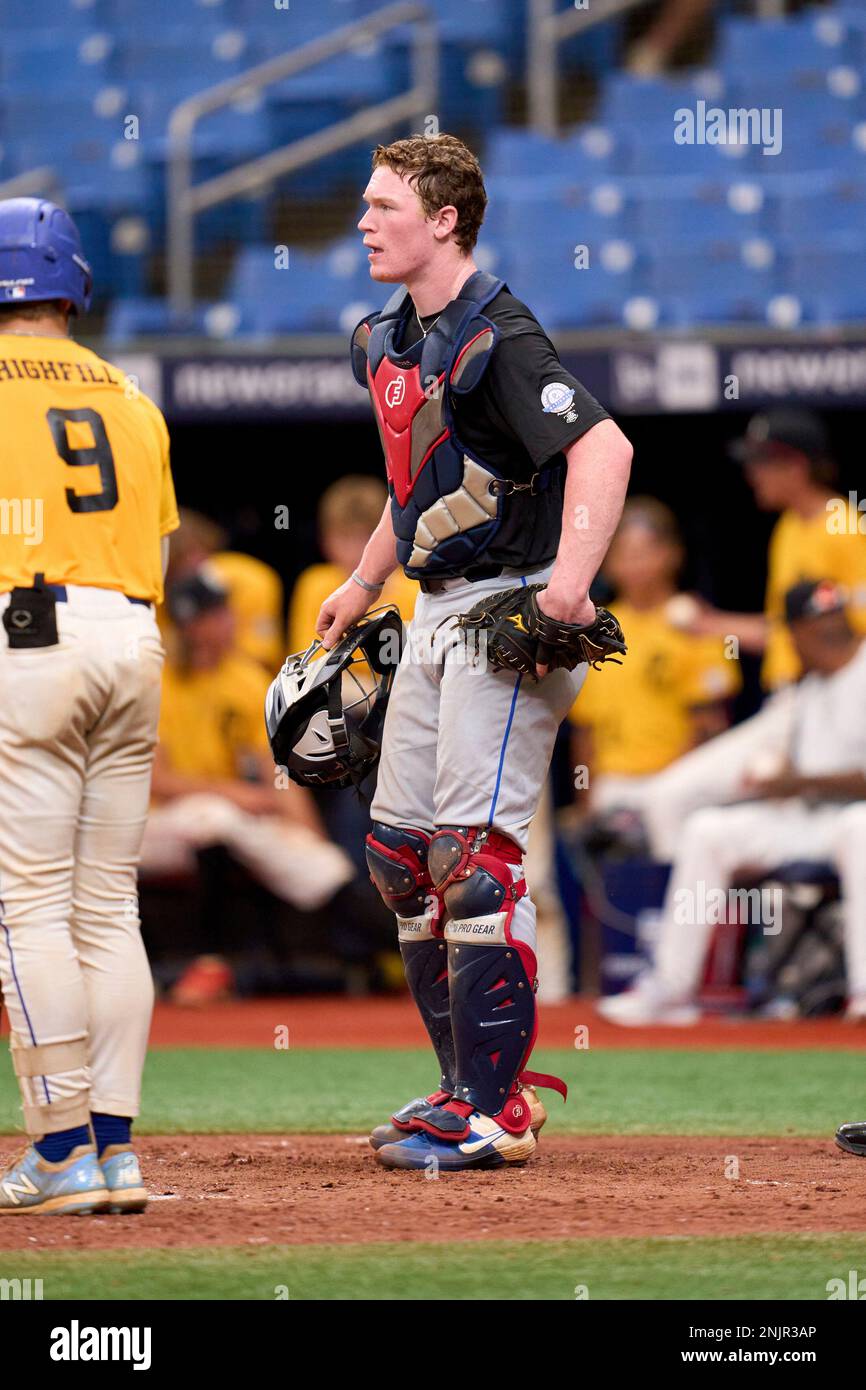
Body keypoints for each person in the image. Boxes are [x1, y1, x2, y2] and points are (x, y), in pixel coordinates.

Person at [315, 133, 633, 1170]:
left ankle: (498, 1112)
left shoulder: (496, 328)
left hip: (509, 609)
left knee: (472, 864)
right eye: (364, 204)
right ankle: (463, 1089)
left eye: (384, 205)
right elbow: (417, 486)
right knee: (402, 859)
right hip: (435, 602)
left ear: (444, 218)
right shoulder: (387, 337)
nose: (364, 220)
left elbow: (602, 446)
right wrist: (362, 584)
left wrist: (568, 589)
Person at [0, 198, 178, 1213]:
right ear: (72, 282)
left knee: (29, 902)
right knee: (107, 904)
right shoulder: (129, 394)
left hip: (27, 632)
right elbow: (153, 552)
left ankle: (59, 1148)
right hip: (129, 636)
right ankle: (113, 1150)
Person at [599, 581, 866, 1027]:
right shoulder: (808, 689)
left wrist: (794, 781)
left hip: (852, 823)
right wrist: (773, 783)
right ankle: (671, 988)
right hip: (809, 819)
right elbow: (785, 773)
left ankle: (862, 991)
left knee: (860, 825)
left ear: (805, 633)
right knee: (708, 830)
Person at [142, 568, 359, 999]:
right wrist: (239, 794)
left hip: (229, 817)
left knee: (325, 865)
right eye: (215, 613)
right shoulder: (158, 679)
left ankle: (346, 964)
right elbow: (158, 779)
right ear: (191, 624)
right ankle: (203, 959)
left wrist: (309, 836)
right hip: (152, 825)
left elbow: (279, 773)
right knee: (215, 817)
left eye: (225, 610)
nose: (228, 621)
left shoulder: (245, 677)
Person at [568, 497, 740, 818]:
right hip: (614, 787)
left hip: (678, 784)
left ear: (672, 554)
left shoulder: (696, 623)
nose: (635, 564)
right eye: (624, 554)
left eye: (645, 552)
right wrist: (586, 802)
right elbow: (584, 729)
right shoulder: (597, 631)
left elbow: (711, 724)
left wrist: (680, 788)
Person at [680, 410, 866, 690]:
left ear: (796, 466)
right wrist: (712, 624)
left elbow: (858, 627)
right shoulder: (788, 527)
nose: (752, 475)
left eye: (760, 463)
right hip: (793, 690)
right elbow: (780, 629)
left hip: (833, 690)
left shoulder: (845, 527)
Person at [287, 475, 417, 658]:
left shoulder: (416, 590)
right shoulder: (315, 584)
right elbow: (308, 658)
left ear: (386, 538)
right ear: (325, 539)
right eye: (344, 537)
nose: (354, 550)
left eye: (365, 537)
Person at [163, 507, 284, 671]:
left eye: (191, 553)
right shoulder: (156, 593)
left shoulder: (251, 580)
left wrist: (220, 642)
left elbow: (264, 659)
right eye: (173, 572)